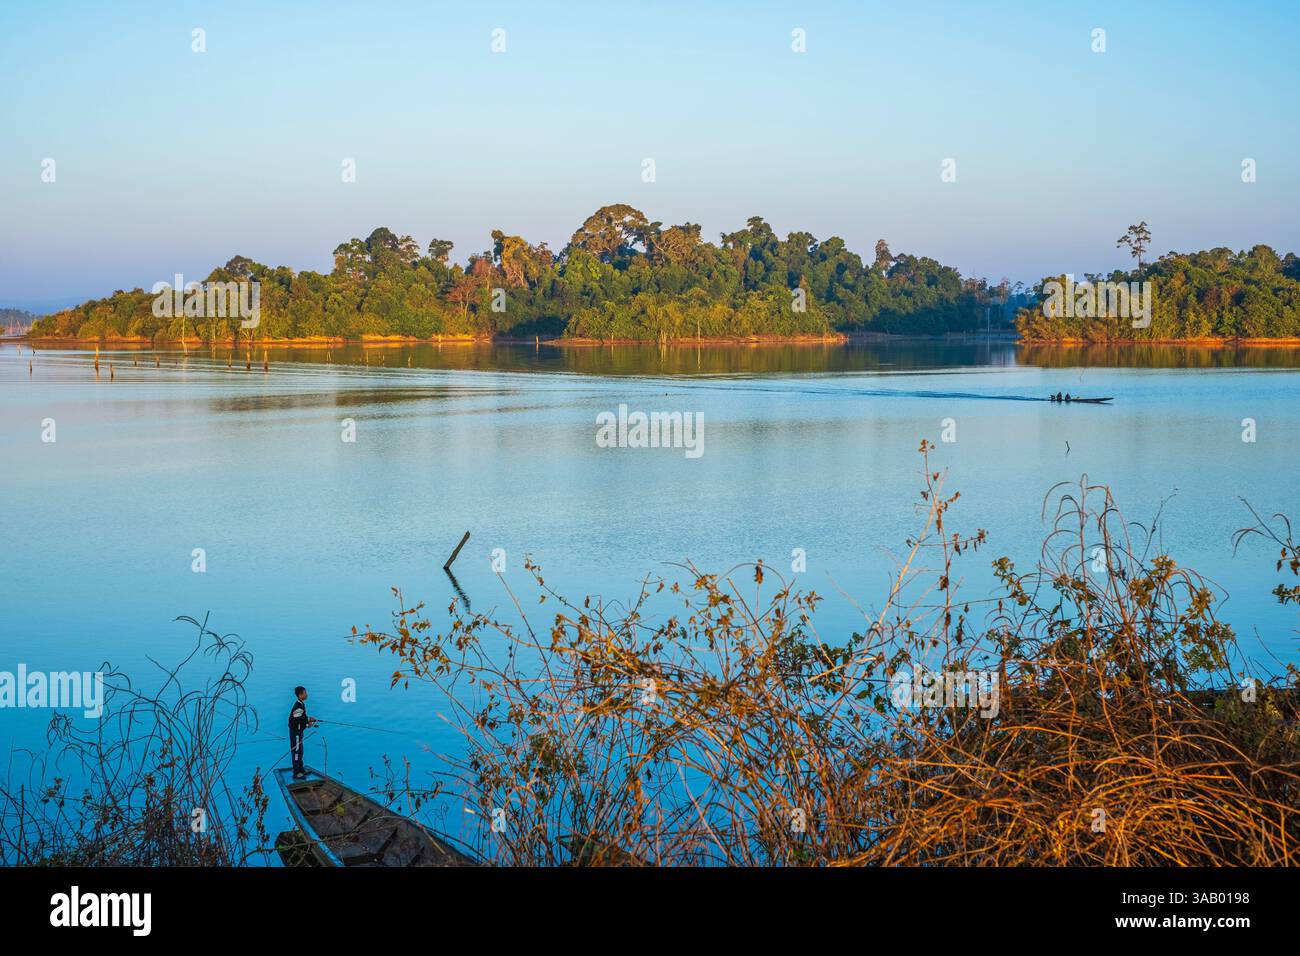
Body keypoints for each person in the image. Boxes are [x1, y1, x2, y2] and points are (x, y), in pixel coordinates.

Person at [288, 686, 318, 779]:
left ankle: (301, 768)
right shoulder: (298, 705)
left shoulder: (301, 704)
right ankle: (296, 772)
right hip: (295, 733)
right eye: (305, 693)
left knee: (300, 751)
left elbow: (301, 719)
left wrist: (308, 724)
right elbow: (297, 720)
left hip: (299, 731)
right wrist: (309, 719)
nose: (307, 694)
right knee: (296, 751)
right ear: (300, 695)